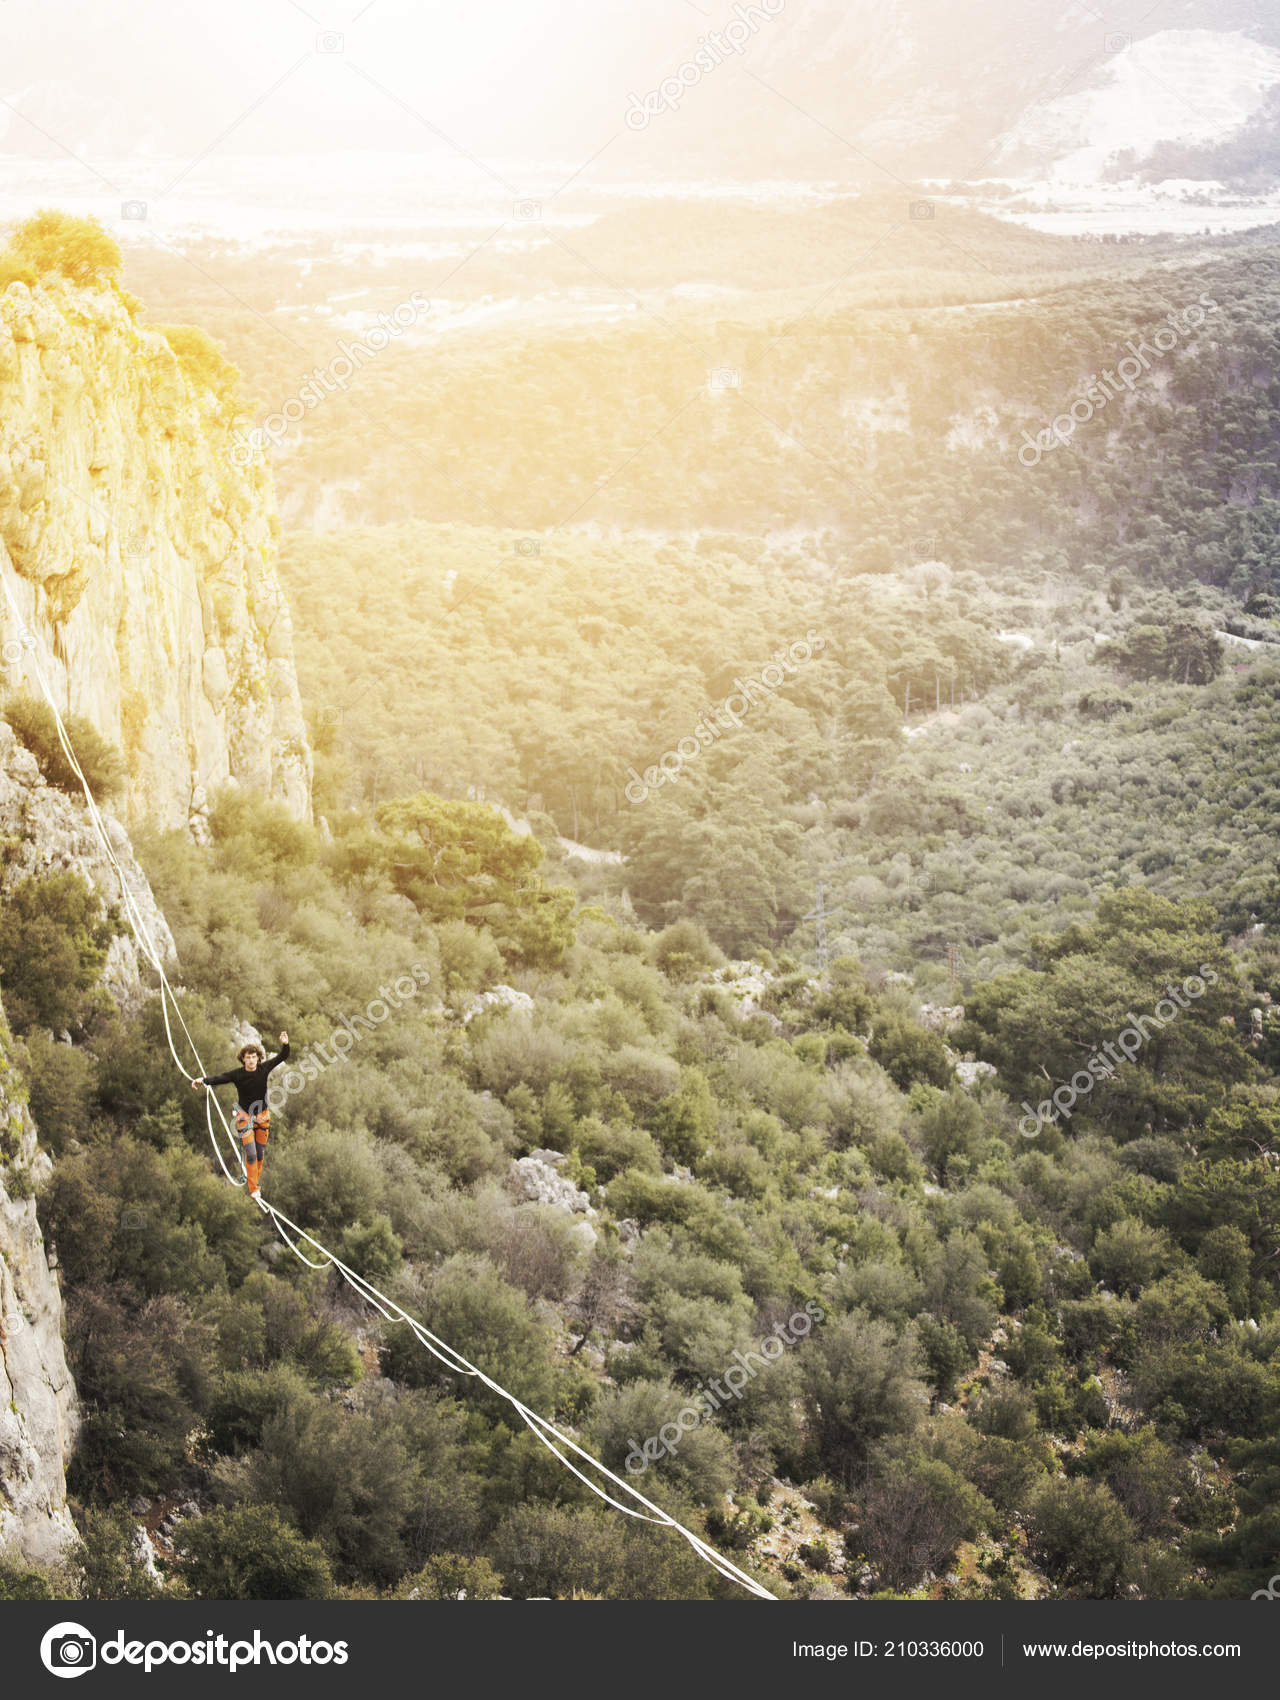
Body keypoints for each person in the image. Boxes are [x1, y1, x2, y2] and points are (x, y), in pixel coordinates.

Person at [192, 1032, 289, 1196]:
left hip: (262, 1117)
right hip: (245, 1117)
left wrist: (285, 1044)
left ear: (258, 1058)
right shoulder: (238, 1074)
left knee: (259, 1154)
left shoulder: (263, 1069)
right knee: (251, 1154)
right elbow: (219, 1078)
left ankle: (255, 1181)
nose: (251, 1060)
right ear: (243, 1059)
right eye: (248, 1057)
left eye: (254, 1057)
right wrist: (202, 1080)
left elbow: (282, 1057)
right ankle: (254, 1188)